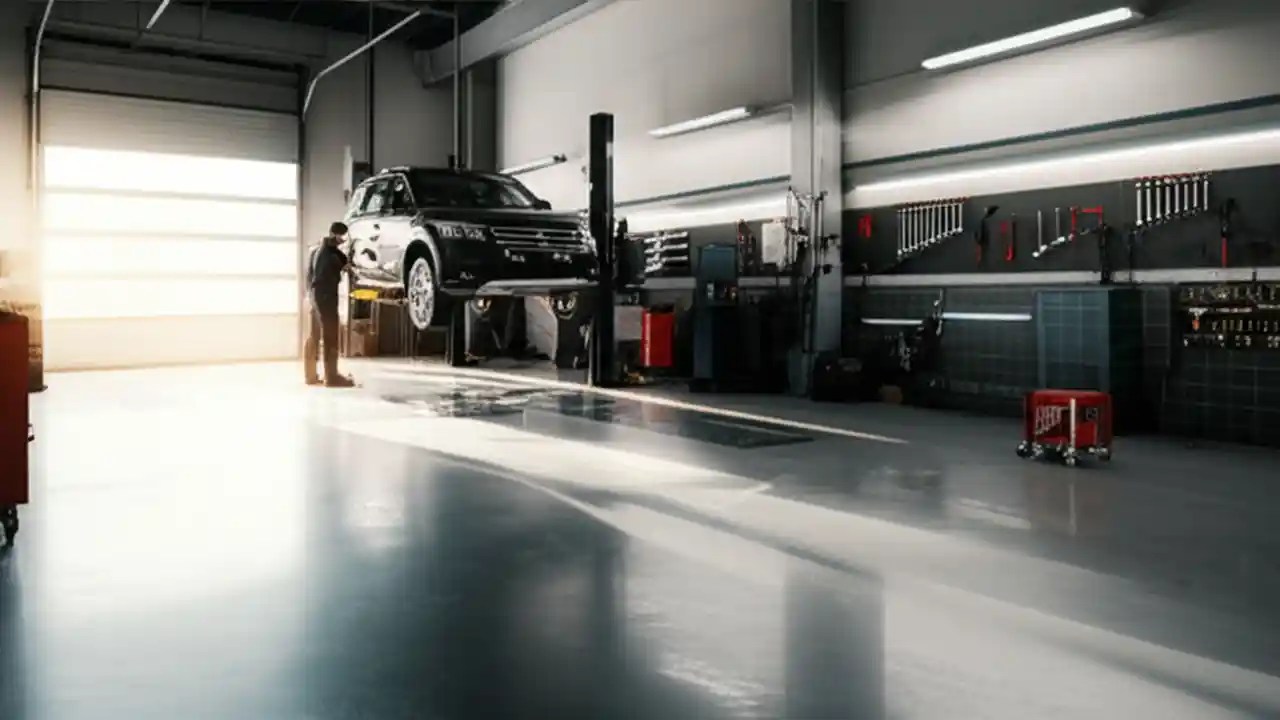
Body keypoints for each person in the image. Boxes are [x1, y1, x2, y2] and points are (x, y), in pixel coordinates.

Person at [304, 222, 356, 387]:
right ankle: (331, 377)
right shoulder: (331, 253)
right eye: (343, 237)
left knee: (314, 335)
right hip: (326, 298)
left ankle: (310, 376)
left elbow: (309, 275)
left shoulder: (315, 250)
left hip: (313, 296)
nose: (343, 241)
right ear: (336, 235)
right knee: (331, 335)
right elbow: (347, 266)